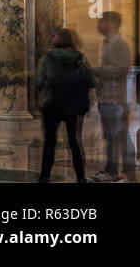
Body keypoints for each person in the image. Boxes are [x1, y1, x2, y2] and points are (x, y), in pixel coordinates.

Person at [36, 27, 95, 183]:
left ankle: (44, 177)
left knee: (49, 143)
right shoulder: (80, 58)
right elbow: (91, 81)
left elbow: (39, 82)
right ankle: (81, 178)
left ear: (58, 39)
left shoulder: (47, 58)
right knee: (75, 142)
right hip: (74, 107)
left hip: (51, 105)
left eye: (54, 35)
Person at [92, 11, 134, 182]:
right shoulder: (109, 42)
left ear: (113, 24)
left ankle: (126, 174)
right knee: (112, 137)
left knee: (118, 137)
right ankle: (111, 170)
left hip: (115, 98)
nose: (99, 25)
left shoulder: (118, 43)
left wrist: (98, 70)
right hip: (108, 98)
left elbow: (120, 69)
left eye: (102, 21)